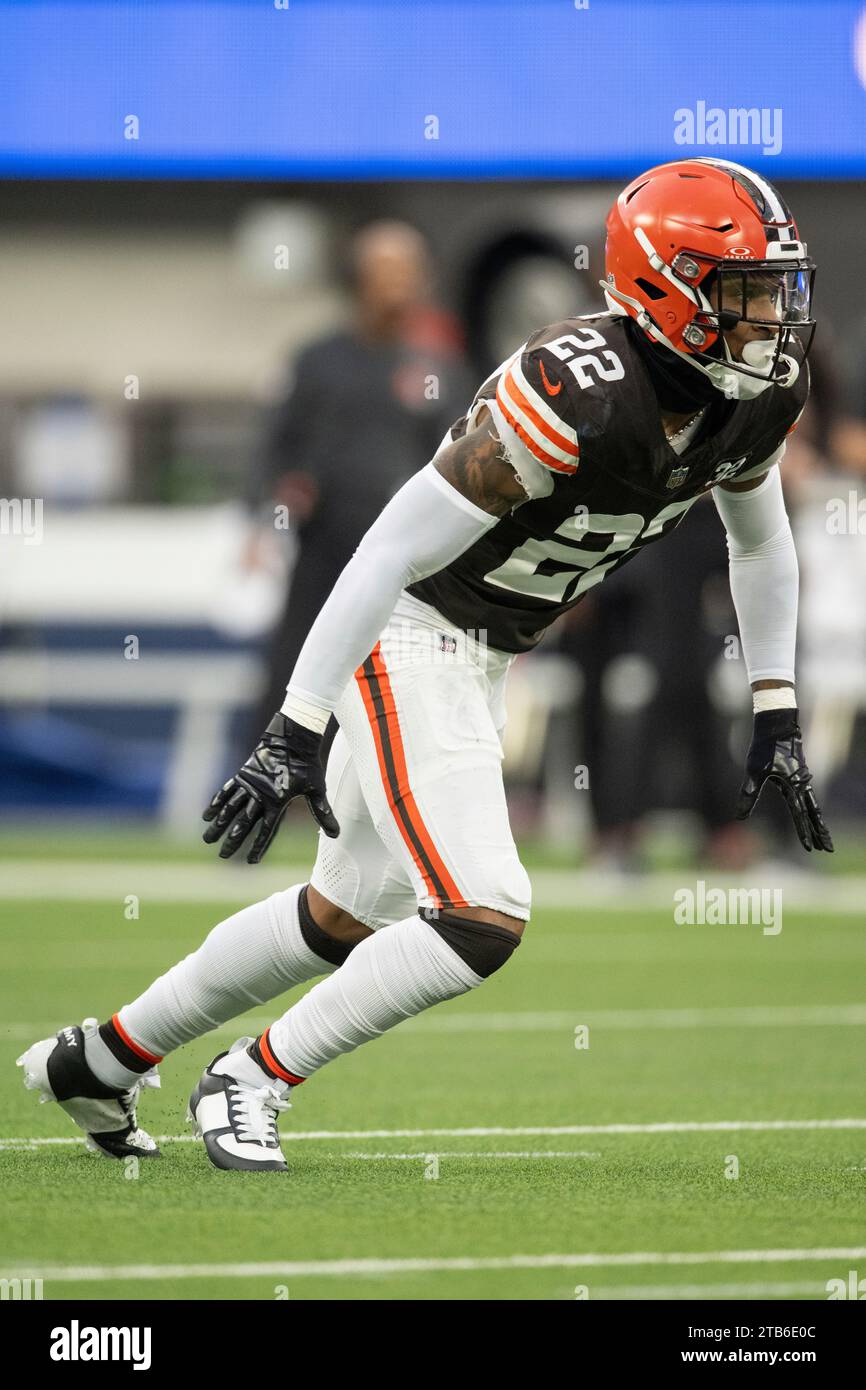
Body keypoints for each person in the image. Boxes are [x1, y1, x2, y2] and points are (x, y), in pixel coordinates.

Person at [19, 159, 833, 1170]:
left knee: (341, 914)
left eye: (775, 288)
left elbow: (758, 543)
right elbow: (387, 550)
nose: (770, 317)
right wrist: (295, 723)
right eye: (744, 292)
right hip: (409, 630)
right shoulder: (569, 390)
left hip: (484, 653)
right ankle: (254, 1075)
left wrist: (773, 709)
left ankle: (100, 1056)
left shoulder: (753, 395)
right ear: (665, 290)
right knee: (481, 912)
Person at [247, 219, 471, 749]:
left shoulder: (439, 367)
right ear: (357, 281)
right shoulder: (316, 360)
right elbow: (275, 448)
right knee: (297, 661)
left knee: (397, 676)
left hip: (411, 561)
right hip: (324, 546)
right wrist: (265, 515)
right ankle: (279, 777)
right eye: (387, 272)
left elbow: (462, 460)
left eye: (411, 272)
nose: (402, 285)